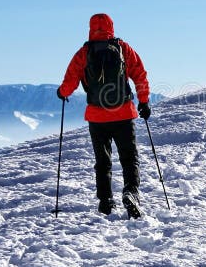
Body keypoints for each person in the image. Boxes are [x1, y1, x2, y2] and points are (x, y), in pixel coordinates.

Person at [57, 13, 151, 218]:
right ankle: (131, 192)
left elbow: (71, 78)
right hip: (124, 113)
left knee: (103, 160)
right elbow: (139, 73)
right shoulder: (123, 48)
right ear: (111, 26)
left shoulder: (84, 52)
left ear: (90, 28)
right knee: (129, 158)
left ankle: (106, 201)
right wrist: (143, 101)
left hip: (97, 117)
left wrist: (62, 92)